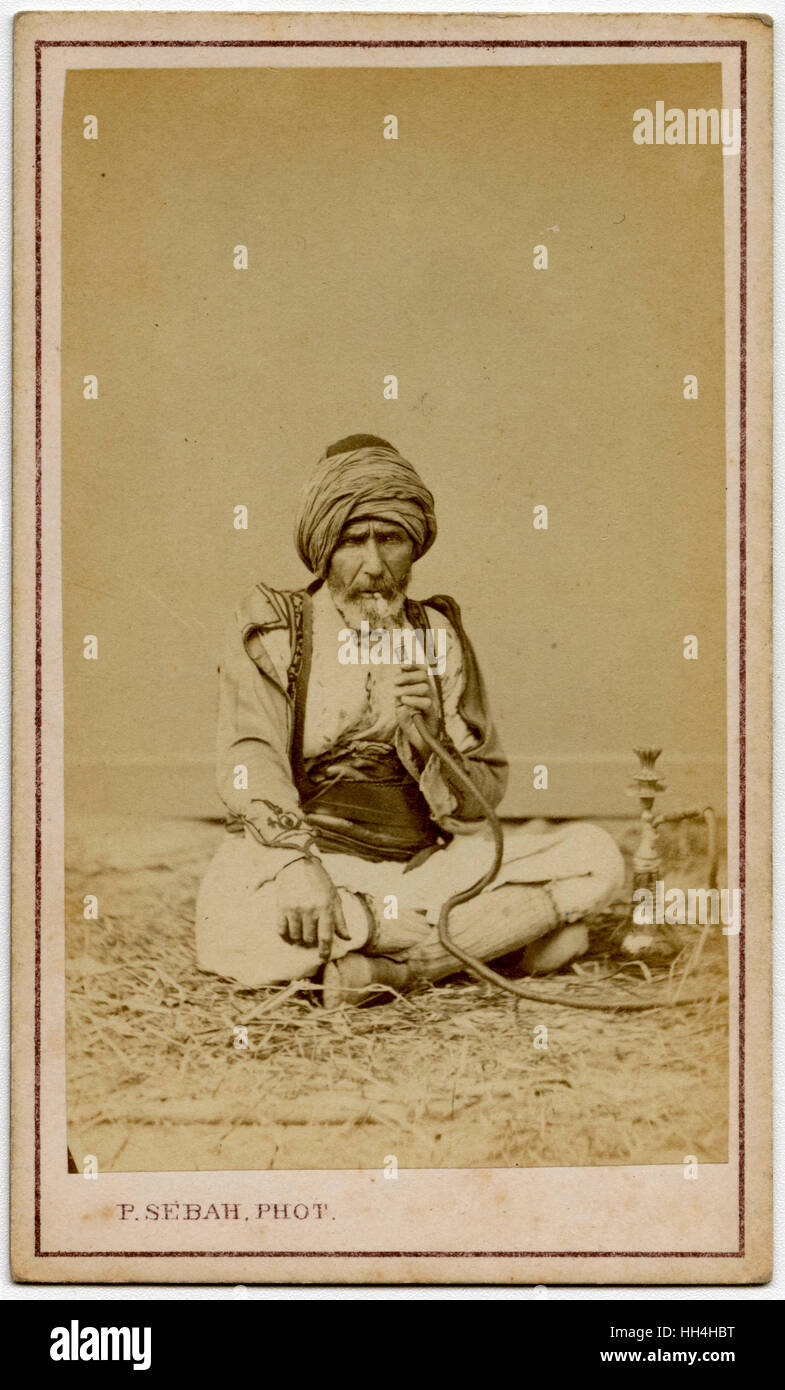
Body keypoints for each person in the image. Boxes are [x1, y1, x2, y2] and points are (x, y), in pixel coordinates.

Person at [196, 435, 625, 1004]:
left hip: (425, 869)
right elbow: (251, 760)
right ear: (323, 546)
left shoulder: (436, 634)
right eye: (353, 541)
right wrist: (297, 865)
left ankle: (389, 971)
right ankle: (494, 941)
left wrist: (431, 739)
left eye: (391, 539)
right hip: (313, 863)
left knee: (597, 859)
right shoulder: (277, 628)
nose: (373, 566)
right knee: (249, 931)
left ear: (415, 544)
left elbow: (483, 800)